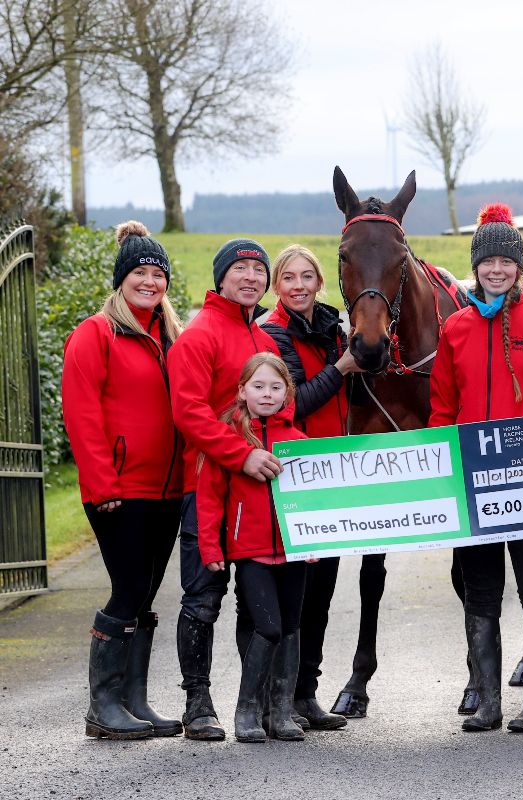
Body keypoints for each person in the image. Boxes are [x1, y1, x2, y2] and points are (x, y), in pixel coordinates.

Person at [430, 203, 523, 733]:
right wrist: (445, 458)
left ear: (519, 268)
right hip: (474, 482)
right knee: (481, 591)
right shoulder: (456, 328)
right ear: (476, 267)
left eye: (506, 262)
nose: (497, 270)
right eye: (488, 262)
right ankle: (489, 702)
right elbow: (442, 406)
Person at [62, 221, 185, 740]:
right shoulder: (96, 333)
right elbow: (81, 412)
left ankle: (134, 702)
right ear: (121, 279)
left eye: (158, 274)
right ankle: (103, 707)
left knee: (146, 592)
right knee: (129, 587)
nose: (149, 282)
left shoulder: (172, 337)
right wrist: (102, 483)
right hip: (120, 490)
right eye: (140, 273)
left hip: (169, 489)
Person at [167, 238, 280, 740]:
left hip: (259, 492)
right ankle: (198, 704)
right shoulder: (199, 335)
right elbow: (189, 413)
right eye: (240, 268)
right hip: (207, 485)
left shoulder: (264, 338)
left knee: (256, 602)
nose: (251, 277)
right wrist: (242, 454)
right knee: (203, 597)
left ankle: (255, 705)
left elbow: (282, 406)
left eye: (259, 269)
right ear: (221, 277)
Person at [260, 244, 361, 731]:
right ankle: (274, 697)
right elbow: (293, 403)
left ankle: (306, 693)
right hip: (294, 474)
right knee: (294, 594)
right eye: (288, 278)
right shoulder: (271, 332)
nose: (298, 286)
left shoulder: (331, 328)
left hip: (333, 475)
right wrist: (341, 368)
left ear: (320, 283)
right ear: (277, 286)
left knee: (321, 593)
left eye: (306, 277)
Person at [198, 353, 308, 743]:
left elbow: (314, 501)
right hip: (251, 553)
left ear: (287, 393)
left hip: (294, 554)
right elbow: (209, 498)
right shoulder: (230, 441)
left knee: (291, 628)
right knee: (268, 627)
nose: (267, 394)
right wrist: (210, 548)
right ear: (242, 391)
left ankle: (281, 713)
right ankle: (247, 710)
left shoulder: (300, 443)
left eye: (275, 387)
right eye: (258, 386)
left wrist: (314, 541)